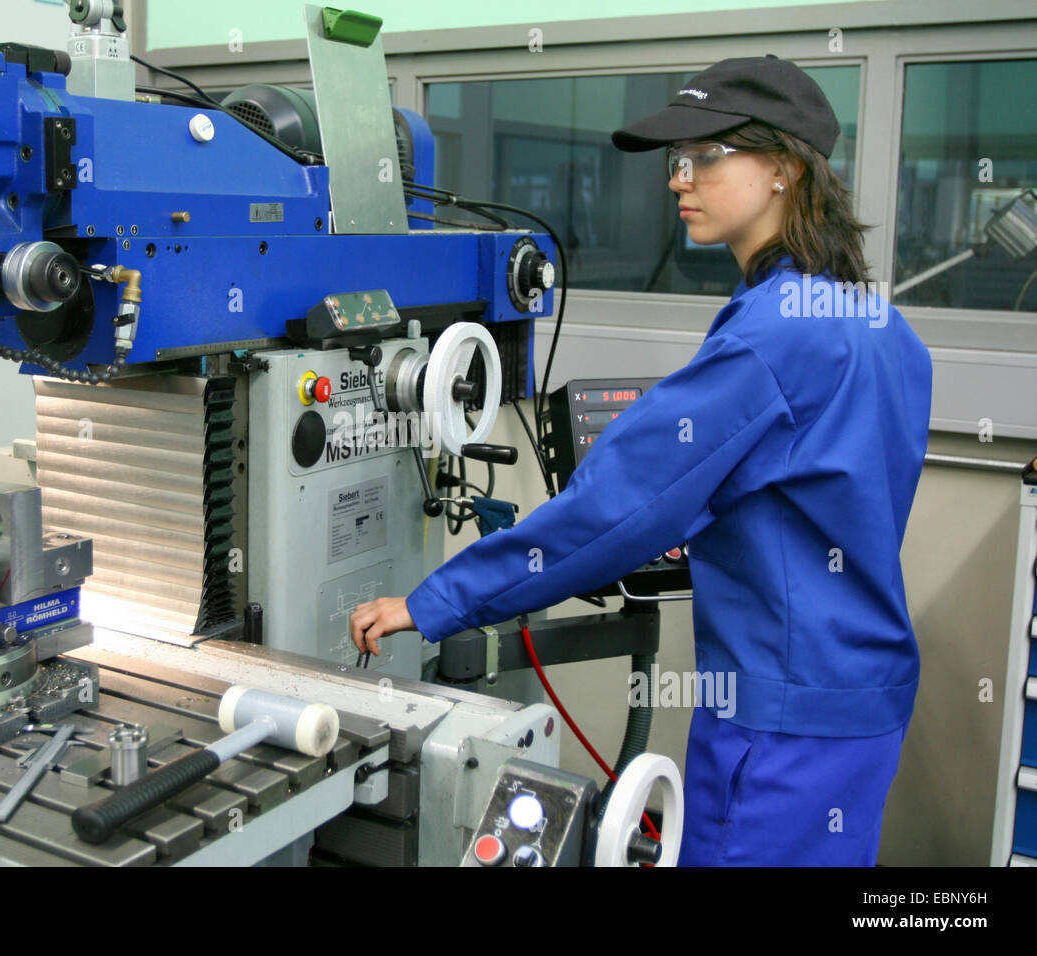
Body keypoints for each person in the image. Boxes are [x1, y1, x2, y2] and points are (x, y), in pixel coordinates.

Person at [348, 55, 932, 866]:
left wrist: (436, 600)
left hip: (780, 724)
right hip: (859, 703)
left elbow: (617, 509)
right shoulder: (882, 327)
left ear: (785, 171)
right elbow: (824, 503)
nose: (678, 179)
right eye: (676, 160)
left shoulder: (774, 336)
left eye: (707, 156)